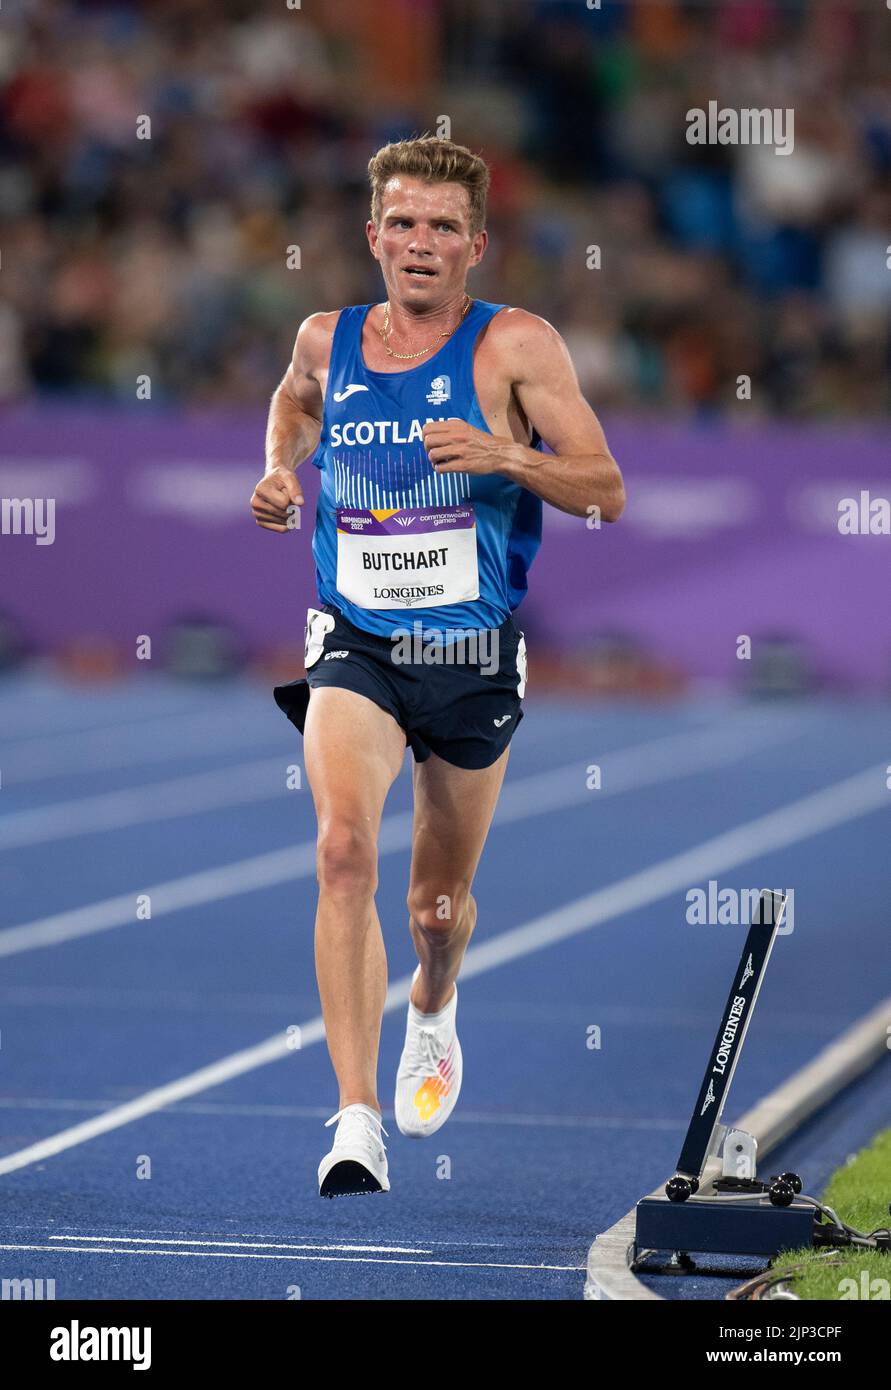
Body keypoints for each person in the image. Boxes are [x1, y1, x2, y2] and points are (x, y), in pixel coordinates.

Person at [251, 136, 624, 1197]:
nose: (421, 244)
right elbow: (294, 399)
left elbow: (606, 488)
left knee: (434, 906)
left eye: (443, 228)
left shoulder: (516, 345)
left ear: (476, 245)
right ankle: (354, 1114)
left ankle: (434, 1000)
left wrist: (506, 453)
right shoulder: (328, 337)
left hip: (466, 651)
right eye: (402, 224)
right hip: (357, 641)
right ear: (373, 236)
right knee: (339, 851)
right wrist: (278, 470)